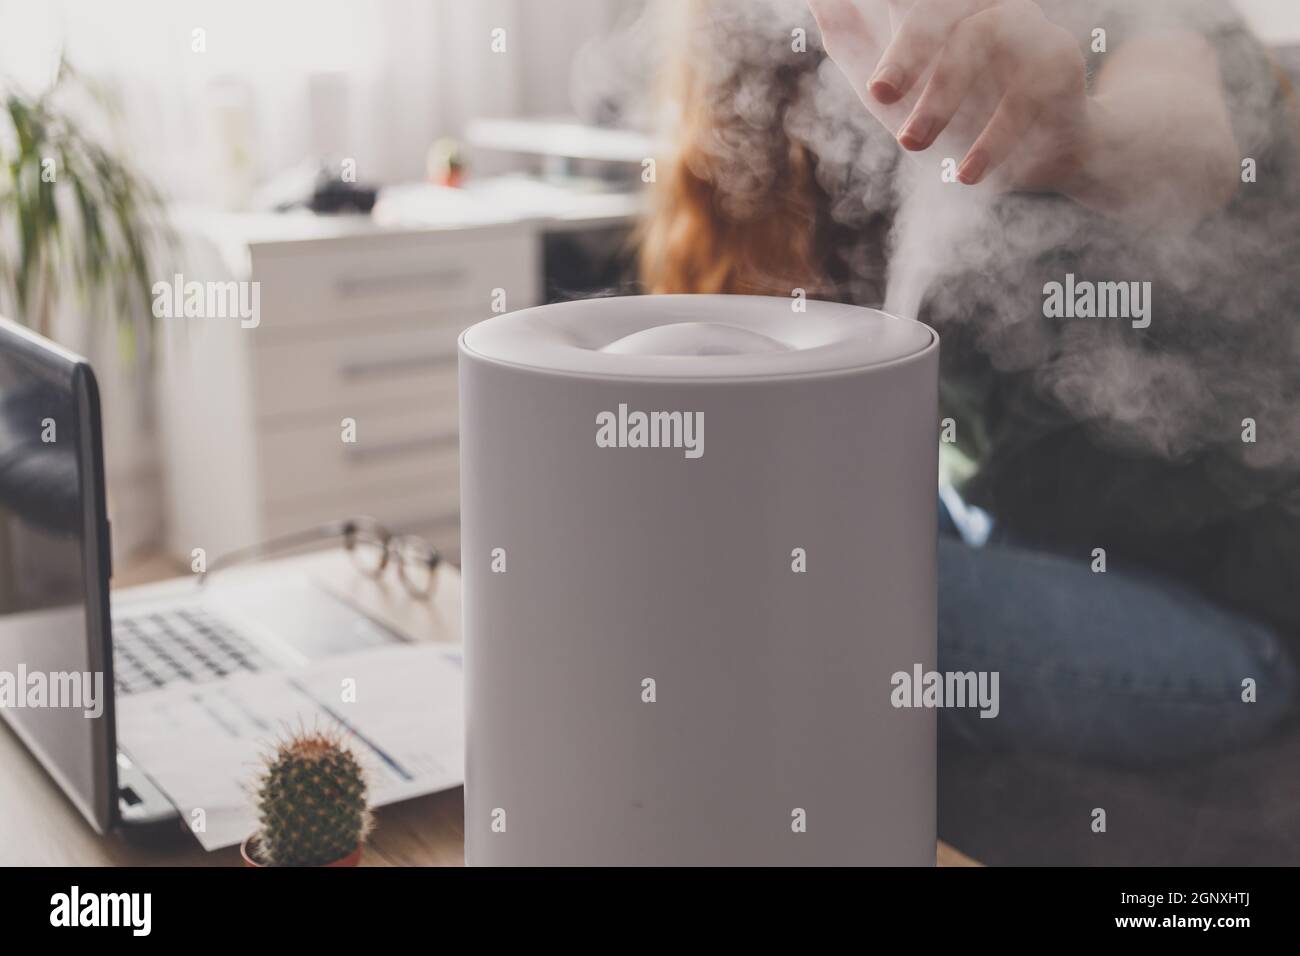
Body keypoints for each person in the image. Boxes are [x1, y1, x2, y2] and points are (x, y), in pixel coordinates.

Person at [640, 0, 1299, 766]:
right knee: (720, 537)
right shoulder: (836, 85)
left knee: (766, 585)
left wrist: (1085, 139)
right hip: (1005, 528)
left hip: (1224, 614)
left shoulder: (1143, 20)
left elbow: (1187, 138)